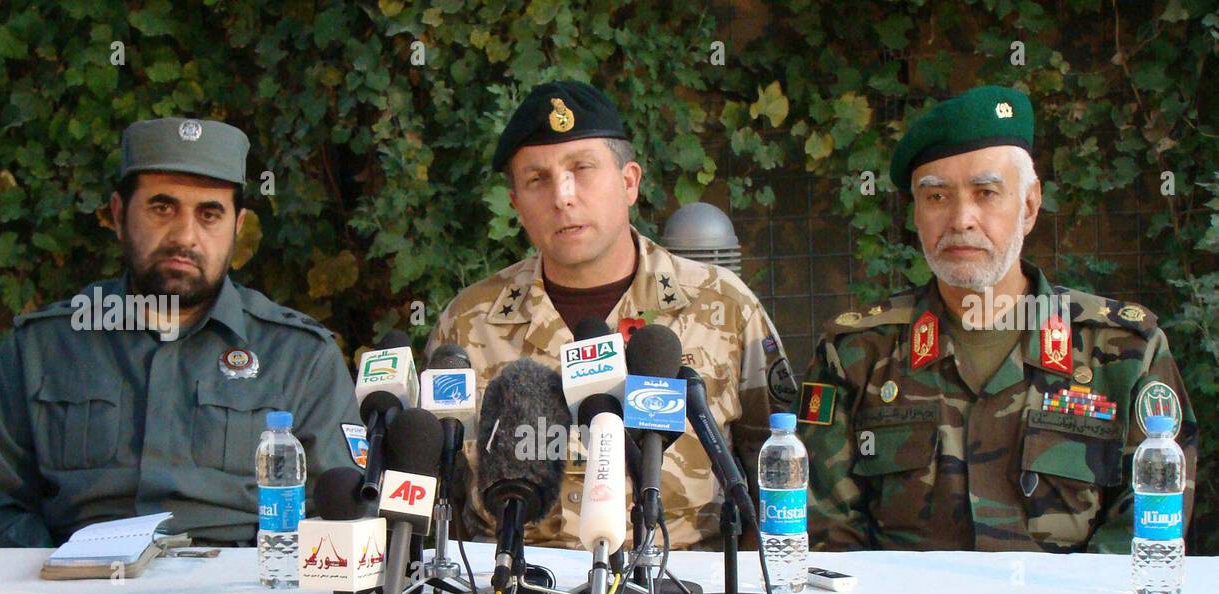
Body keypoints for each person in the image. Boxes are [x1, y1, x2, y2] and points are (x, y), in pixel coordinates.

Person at [796, 85, 1196, 552]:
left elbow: (1148, 525)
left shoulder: (1124, 350)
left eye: (986, 193)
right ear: (917, 214)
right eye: (937, 197)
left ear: (1028, 206)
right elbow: (825, 532)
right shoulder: (857, 352)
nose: (962, 218)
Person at [425, 81, 795, 550]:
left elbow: (779, 467)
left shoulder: (722, 306)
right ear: (517, 205)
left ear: (629, 182)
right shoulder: (468, 322)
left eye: (582, 169)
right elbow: (439, 488)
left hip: (678, 591)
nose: (562, 196)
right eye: (537, 180)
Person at [0, 117, 359, 547]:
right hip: (80, 592)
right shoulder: (42, 349)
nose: (184, 236)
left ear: (237, 227)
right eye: (162, 208)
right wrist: (57, 578)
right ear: (119, 216)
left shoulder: (300, 357)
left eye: (209, 214)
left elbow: (338, 510)